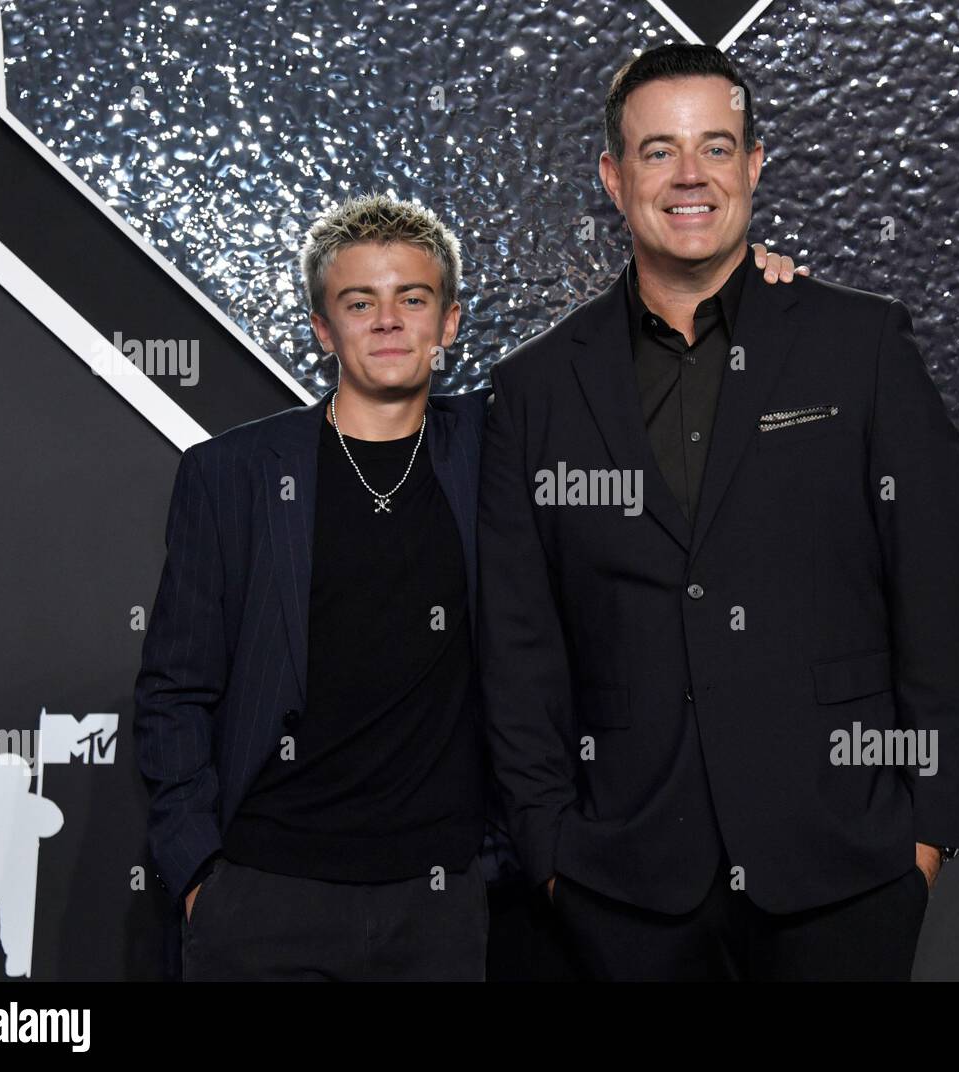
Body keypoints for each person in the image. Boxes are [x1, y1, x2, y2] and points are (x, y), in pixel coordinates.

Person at [133, 190, 806, 981]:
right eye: (360, 301)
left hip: (443, 903)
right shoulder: (234, 475)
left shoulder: (496, 445)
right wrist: (201, 876)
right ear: (323, 328)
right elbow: (175, 690)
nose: (388, 321)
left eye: (411, 299)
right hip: (263, 895)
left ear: (448, 323)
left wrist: (729, 280)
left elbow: (635, 358)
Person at [478, 43, 959, 981]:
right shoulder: (537, 389)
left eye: (717, 146)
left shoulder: (859, 345)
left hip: (846, 865)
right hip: (621, 884)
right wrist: (547, 849)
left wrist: (927, 835)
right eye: (659, 151)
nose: (690, 177)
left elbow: (936, 594)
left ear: (754, 164)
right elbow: (518, 644)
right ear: (614, 176)